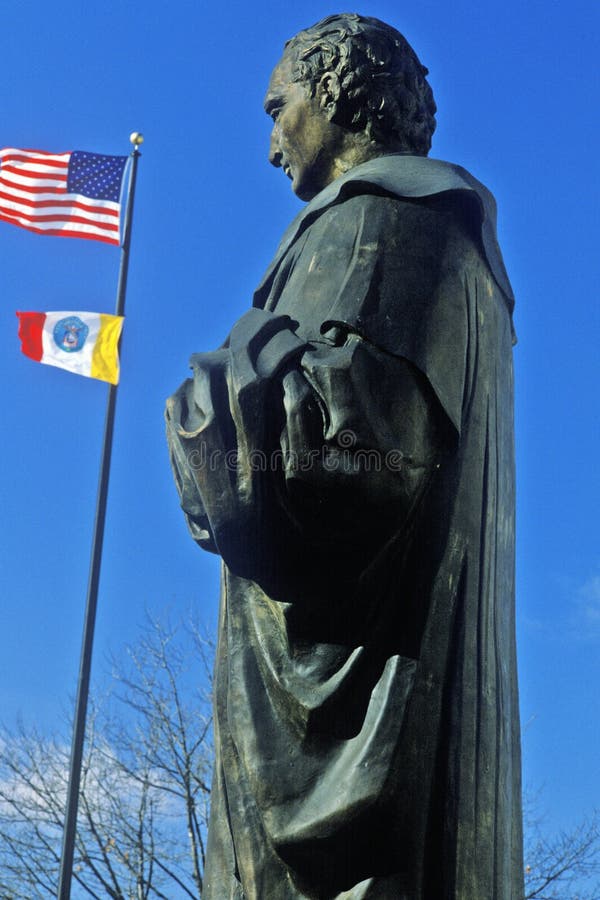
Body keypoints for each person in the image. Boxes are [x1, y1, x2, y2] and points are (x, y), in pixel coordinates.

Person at [166, 13, 524, 899]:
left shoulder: (380, 224)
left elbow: (345, 461)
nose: (271, 141)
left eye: (278, 107)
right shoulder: (444, 237)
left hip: (367, 757)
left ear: (336, 93)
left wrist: (209, 411)